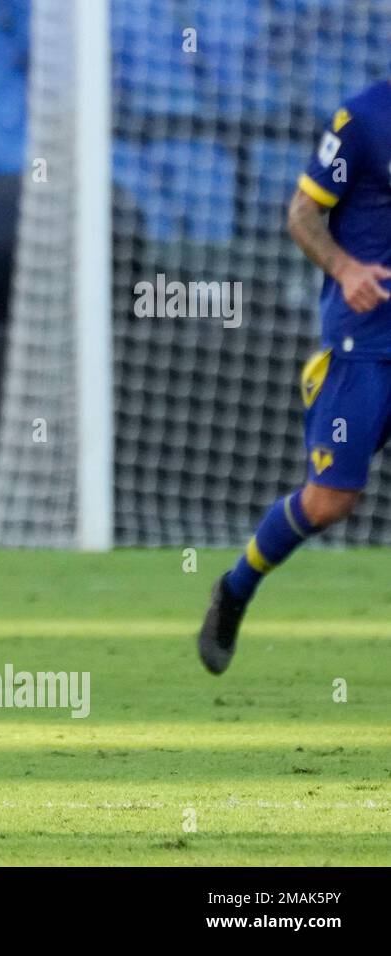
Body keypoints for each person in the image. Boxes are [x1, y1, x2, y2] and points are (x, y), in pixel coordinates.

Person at [199, 79, 391, 674]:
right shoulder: (362, 120)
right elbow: (302, 214)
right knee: (331, 500)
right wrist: (346, 267)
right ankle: (236, 588)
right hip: (364, 346)